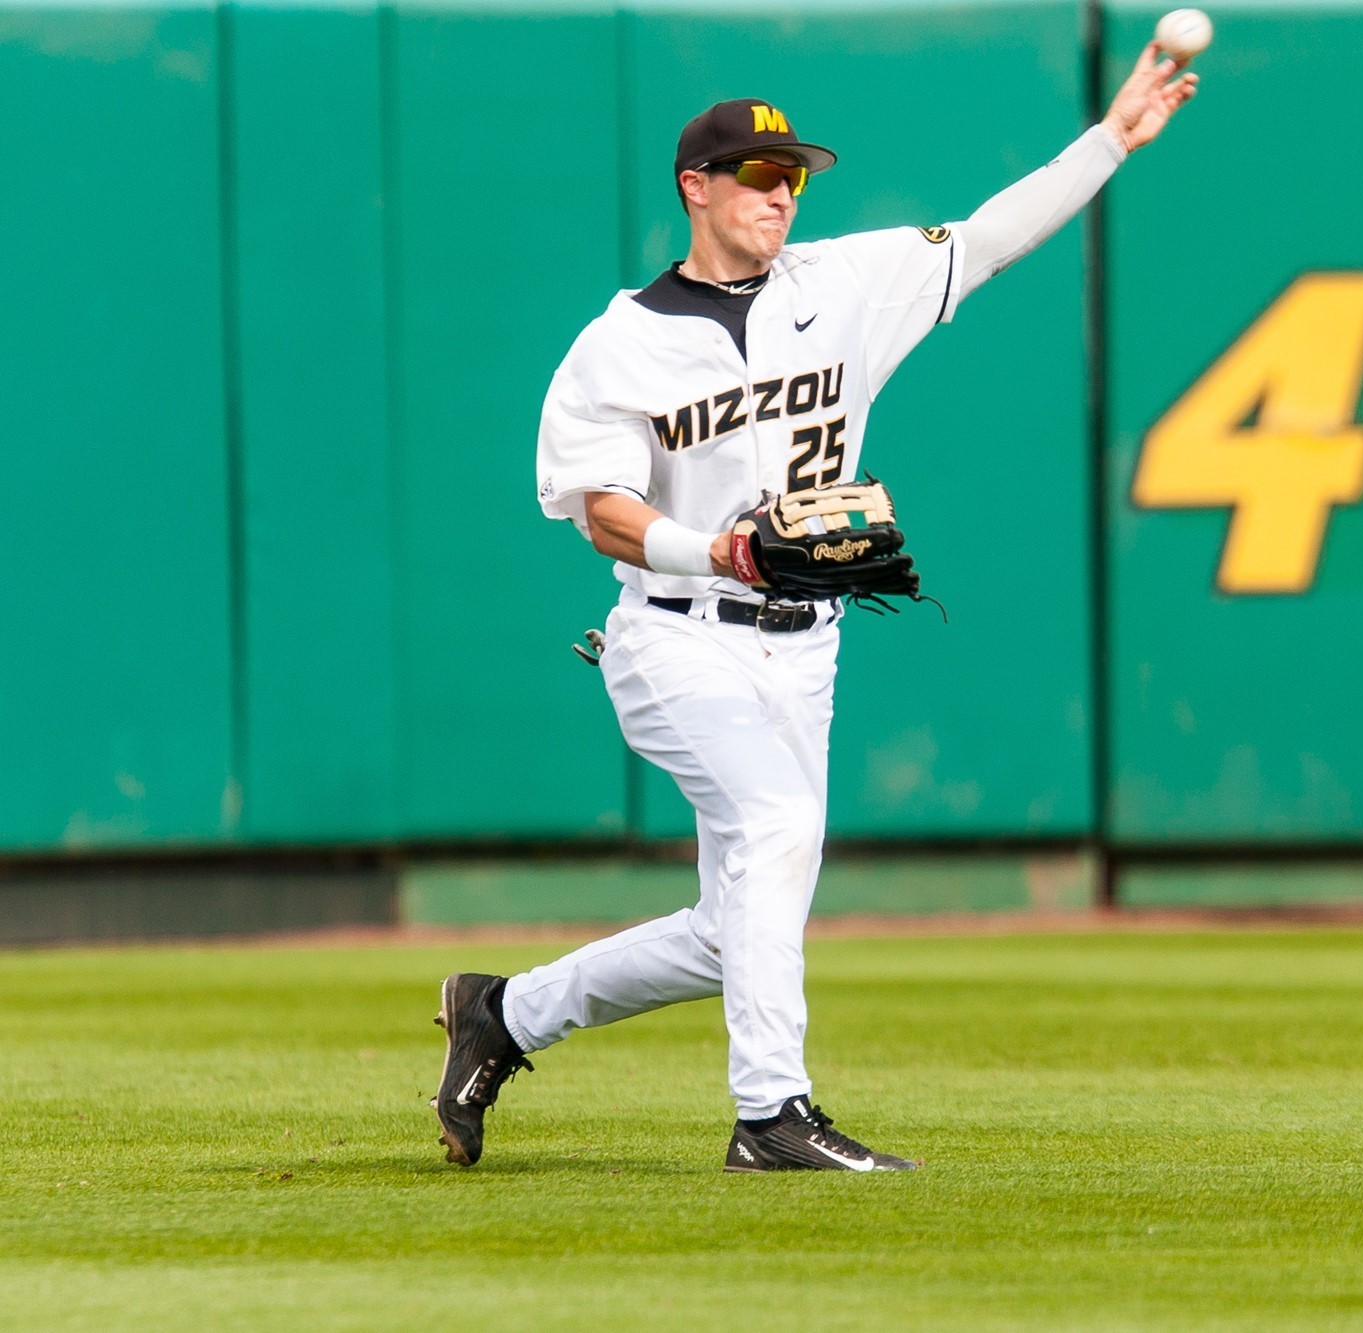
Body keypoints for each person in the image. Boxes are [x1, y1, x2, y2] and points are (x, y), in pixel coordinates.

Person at [432, 44, 1198, 1173]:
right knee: (777, 834)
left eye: (791, 175)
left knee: (734, 923)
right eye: (755, 173)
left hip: (808, 648)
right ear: (695, 186)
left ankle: (505, 1013)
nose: (779, 193)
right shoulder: (618, 345)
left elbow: (988, 237)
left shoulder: (842, 288)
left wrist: (1109, 141)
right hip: (672, 640)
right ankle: (769, 1116)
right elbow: (602, 512)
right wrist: (722, 550)